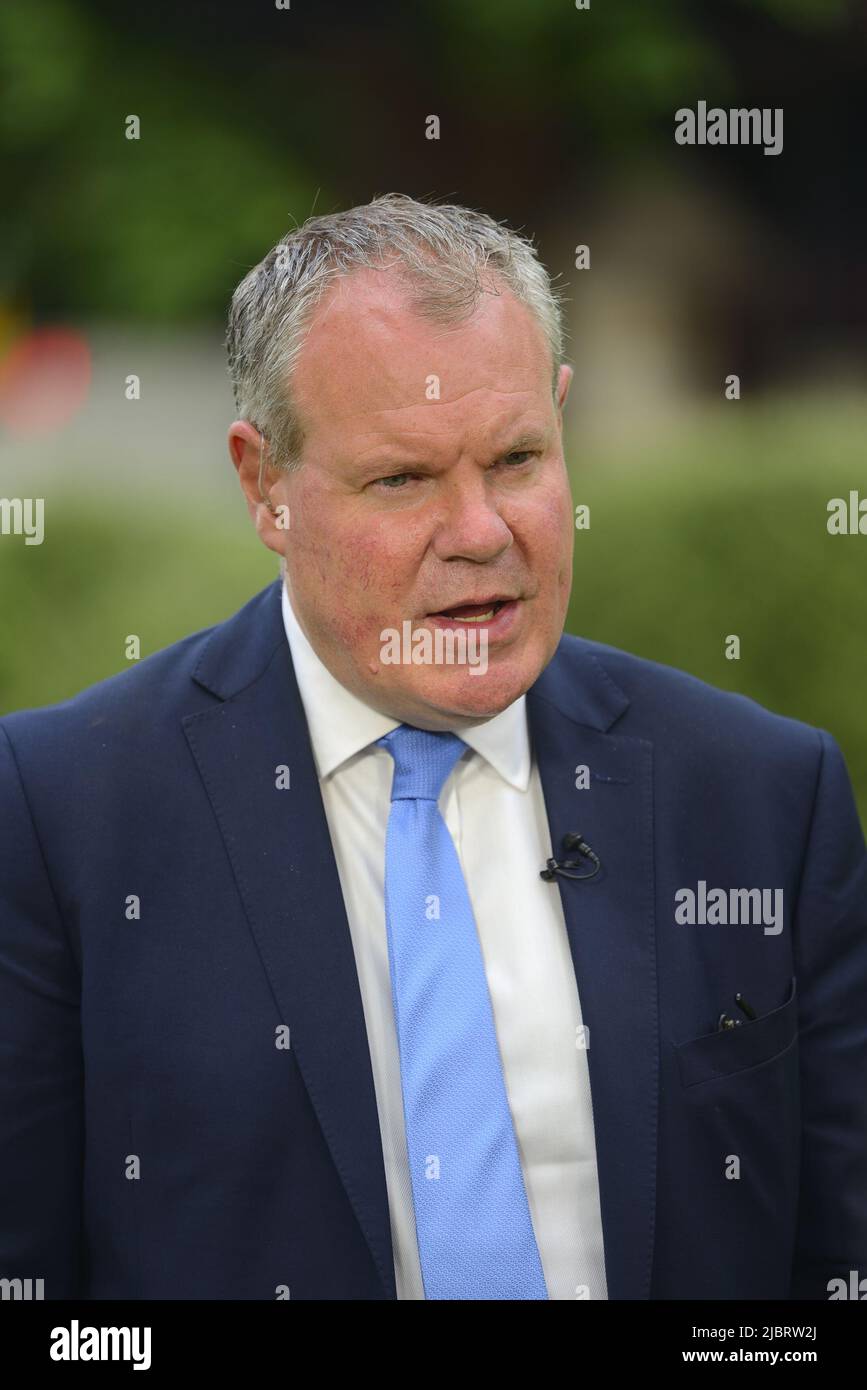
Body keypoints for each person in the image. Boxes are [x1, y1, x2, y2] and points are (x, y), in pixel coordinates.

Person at [1, 194, 865, 1301]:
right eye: (402, 479)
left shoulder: (764, 797)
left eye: (515, 458)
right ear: (264, 484)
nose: (479, 532)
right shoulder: (62, 814)